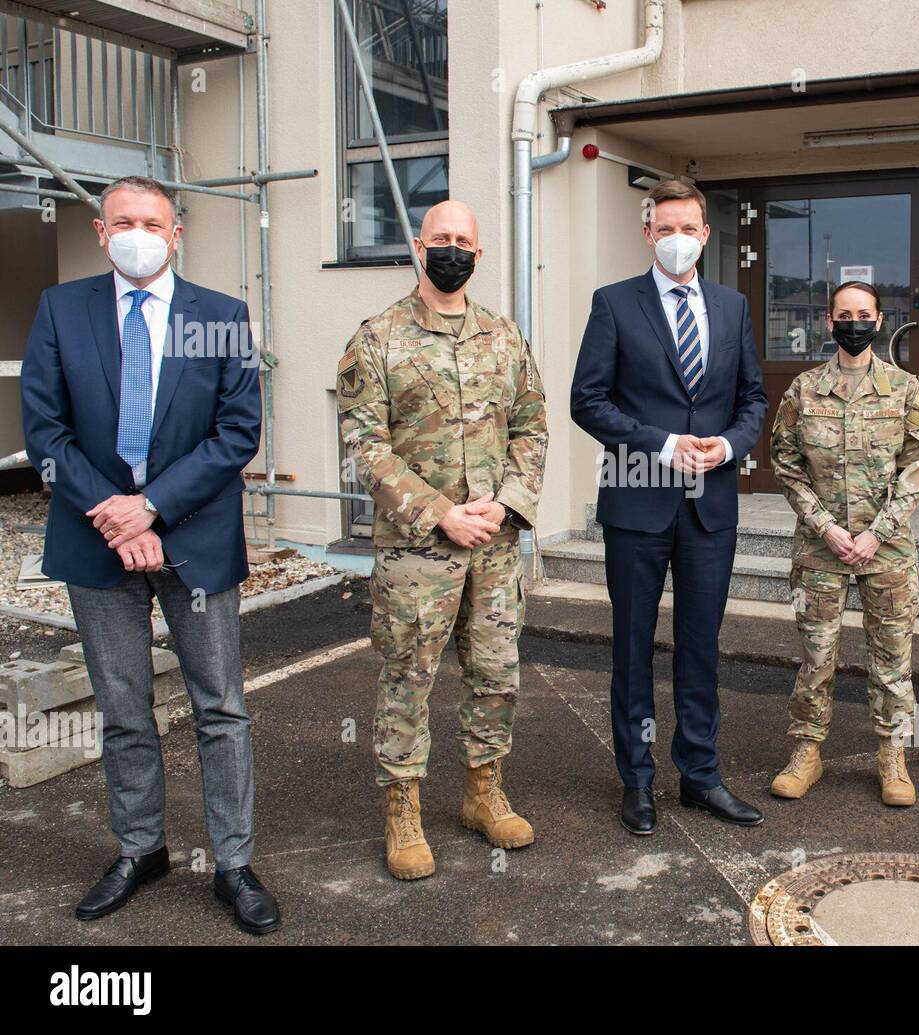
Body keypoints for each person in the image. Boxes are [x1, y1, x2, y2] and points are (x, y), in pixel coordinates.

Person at [21, 176, 279, 935]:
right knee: (123, 709)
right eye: (123, 221)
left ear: (177, 232)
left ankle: (233, 861)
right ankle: (141, 848)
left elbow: (237, 433)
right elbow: (46, 430)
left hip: (192, 539)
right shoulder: (61, 310)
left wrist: (154, 507)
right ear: (102, 233)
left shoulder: (222, 316)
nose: (138, 232)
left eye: (153, 221)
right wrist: (118, 518)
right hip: (97, 539)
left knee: (221, 707)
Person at [337, 200, 547, 881]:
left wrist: (506, 505)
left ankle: (482, 792)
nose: (452, 249)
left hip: (492, 545)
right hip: (416, 551)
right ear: (418, 247)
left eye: (464, 240)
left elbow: (531, 428)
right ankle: (403, 807)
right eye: (441, 239)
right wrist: (438, 512)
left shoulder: (505, 336)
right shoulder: (378, 337)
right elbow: (363, 445)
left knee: (495, 674)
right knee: (408, 677)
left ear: (478, 255)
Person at [571, 178, 768, 835]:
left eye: (690, 228)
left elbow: (753, 401)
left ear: (705, 235)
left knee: (700, 648)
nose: (678, 238)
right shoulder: (614, 304)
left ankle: (701, 776)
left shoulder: (733, 308)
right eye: (666, 228)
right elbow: (588, 400)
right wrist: (660, 443)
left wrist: (730, 445)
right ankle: (637, 781)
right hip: (637, 502)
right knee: (632, 648)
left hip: (710, 505)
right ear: (649, 232)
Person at [769, 282, 919, 806]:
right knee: (816, 657)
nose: (854, 322)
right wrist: (827, 528)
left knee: (892, 660)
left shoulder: (906, 389)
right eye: (845, 314)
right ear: (829, 321)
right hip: (821, 552)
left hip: (885, 553)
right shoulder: (804, 390)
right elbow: (787, 466)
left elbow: (918, 466)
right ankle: (807, 751)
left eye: (864, 314)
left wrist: (875, 533)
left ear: (880, 321)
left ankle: (892, 755)